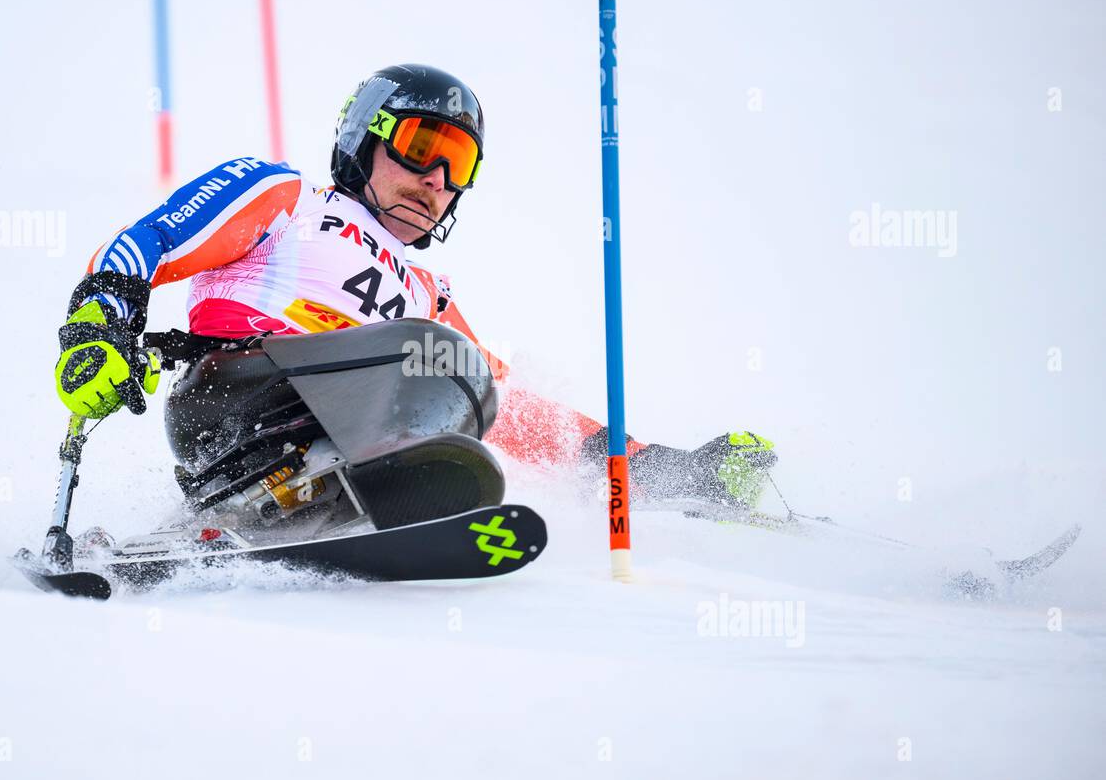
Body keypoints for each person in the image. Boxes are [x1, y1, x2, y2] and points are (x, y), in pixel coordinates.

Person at [53, 63, 776, 510]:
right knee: (429, 356)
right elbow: (149, 242)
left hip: (376, 417)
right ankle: (300, 481)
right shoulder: (288, 198)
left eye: (456, 165)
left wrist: (656, 468)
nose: (436, 180)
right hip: (238, 396)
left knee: (466, 375)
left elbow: (516, 411)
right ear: (365, 138)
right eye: (423, 148)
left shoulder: (426, 290)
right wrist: (96, 327)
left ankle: (344, 497)